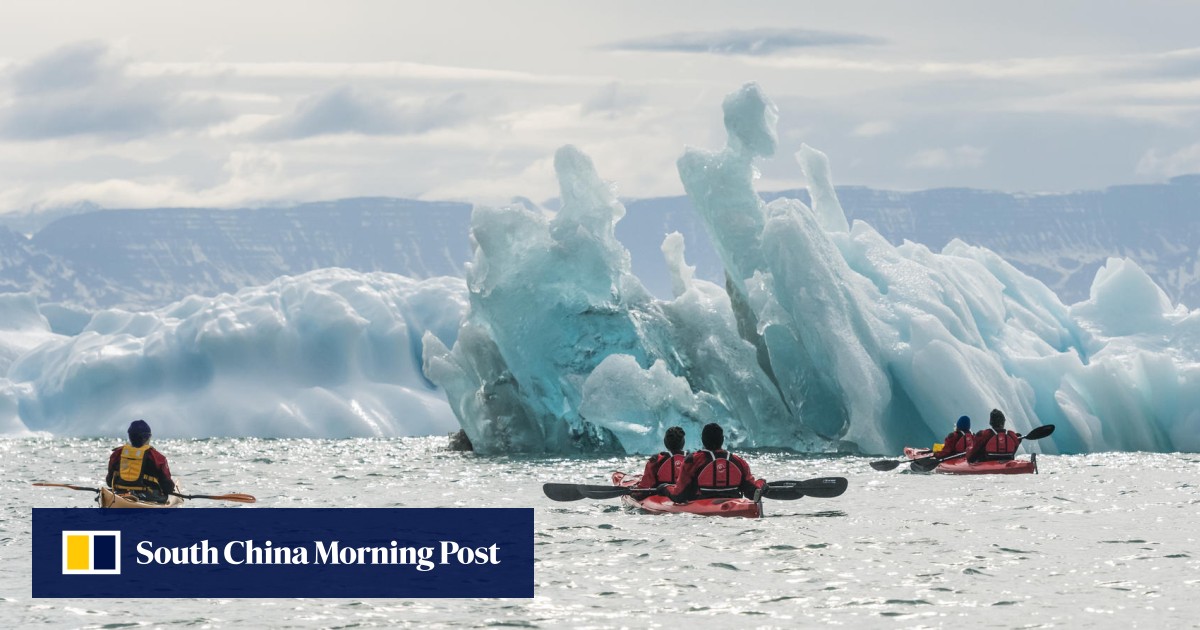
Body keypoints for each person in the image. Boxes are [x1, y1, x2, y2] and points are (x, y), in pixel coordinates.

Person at [660, 423, 764, 502]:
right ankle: (762, 485)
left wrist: (665, 488)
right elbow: (750, 491)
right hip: (733, 501)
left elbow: (679, 495)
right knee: (756, 486)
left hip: (701, 502)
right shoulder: (738, 461)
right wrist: (761, 483)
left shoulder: (692, 460)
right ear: (722, 439)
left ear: (702, 440)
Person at [106, 419, 176, 502]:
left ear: (130, 436)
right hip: (148, 497)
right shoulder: (157, 457)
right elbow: (167, 486)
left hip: (120, 494)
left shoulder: (117, 454)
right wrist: (171, 491)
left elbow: (109, 482)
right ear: (148, 437)